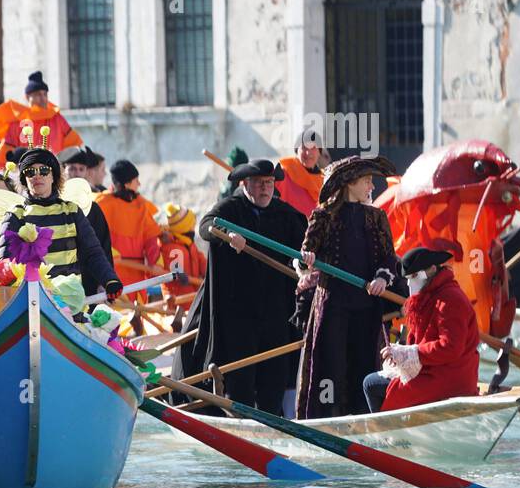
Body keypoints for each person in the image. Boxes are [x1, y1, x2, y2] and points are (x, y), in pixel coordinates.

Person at [173, 160, 307, 415]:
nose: (265, 189)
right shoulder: (231, 209)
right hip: (239, 313)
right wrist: (227, 233)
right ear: (245, 185)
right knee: (240, 380)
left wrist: (304, 258)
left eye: (269, 183)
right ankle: (243, 422)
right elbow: (206, 226)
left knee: (274, 378)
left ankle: (272, 425)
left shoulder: (286, 214)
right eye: (259, 183)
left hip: (276, 312)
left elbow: (303, 246)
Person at [295, 155, 400, 419]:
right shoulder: (323, 215)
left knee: (364, 363)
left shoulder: (377, 217)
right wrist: (306, 261)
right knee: (331, 365)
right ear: (350, 183)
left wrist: (381, 278)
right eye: (367, 181)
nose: (371, 187)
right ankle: (325, 417)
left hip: (367, 305)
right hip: (333, 306)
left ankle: (363, 417)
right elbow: (305, 255)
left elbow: (389, 258)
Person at [363, 247, 480, 412]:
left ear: (432, 270)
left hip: (449, 377)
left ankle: (383, 434)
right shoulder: (429, 296)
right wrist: (401, 354)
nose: (409, 283)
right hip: (434, 371)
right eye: (407, 278)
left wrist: (410, 353)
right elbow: (418, 340)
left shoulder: (450, 299)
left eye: (414, 276)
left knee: (371, 383)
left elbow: (451, 347)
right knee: (375, 379)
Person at [0, 143, 122, 299]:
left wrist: (109, 279)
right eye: (30, 172)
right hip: (30, 302)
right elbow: (7, 265)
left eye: (43, 171)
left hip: (70, 302)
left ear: (54, 176)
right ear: (24, 179)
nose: (37, 176)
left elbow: (92, 252)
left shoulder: (72, 211)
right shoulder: (14, 215)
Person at [95, 159, 162, 297]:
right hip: (111, 272)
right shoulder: (101, 204)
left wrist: (154, 261)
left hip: (137, 276)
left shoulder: (142, 206)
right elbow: (94, 237)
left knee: (136, 315)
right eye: (136, 180)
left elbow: (151, 238)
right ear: (126, 184)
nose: (139, 184)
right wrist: (109, 254)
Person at [0, 72, 83, 169]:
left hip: (53, 173)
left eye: (45, 94)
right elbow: (5, 156)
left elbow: (73, 148)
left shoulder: (57, 119)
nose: (43, 98)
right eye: (38, 94)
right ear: (27, 97)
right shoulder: (18, 123)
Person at [159, 203, 207, 299]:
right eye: (192, 225)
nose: (194, 228)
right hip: (178, 300)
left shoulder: (189, 245)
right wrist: (178, 273)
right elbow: (174, 271)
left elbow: (203, 263)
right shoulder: (172, 248)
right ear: (185, 227)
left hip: (193, 297)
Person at [278, 128, 325, 218]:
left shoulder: (326, 179)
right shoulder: (283, 172)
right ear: (297, 150)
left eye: (313, 148)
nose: (308, 153)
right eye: (304, 147)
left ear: (319, 152)